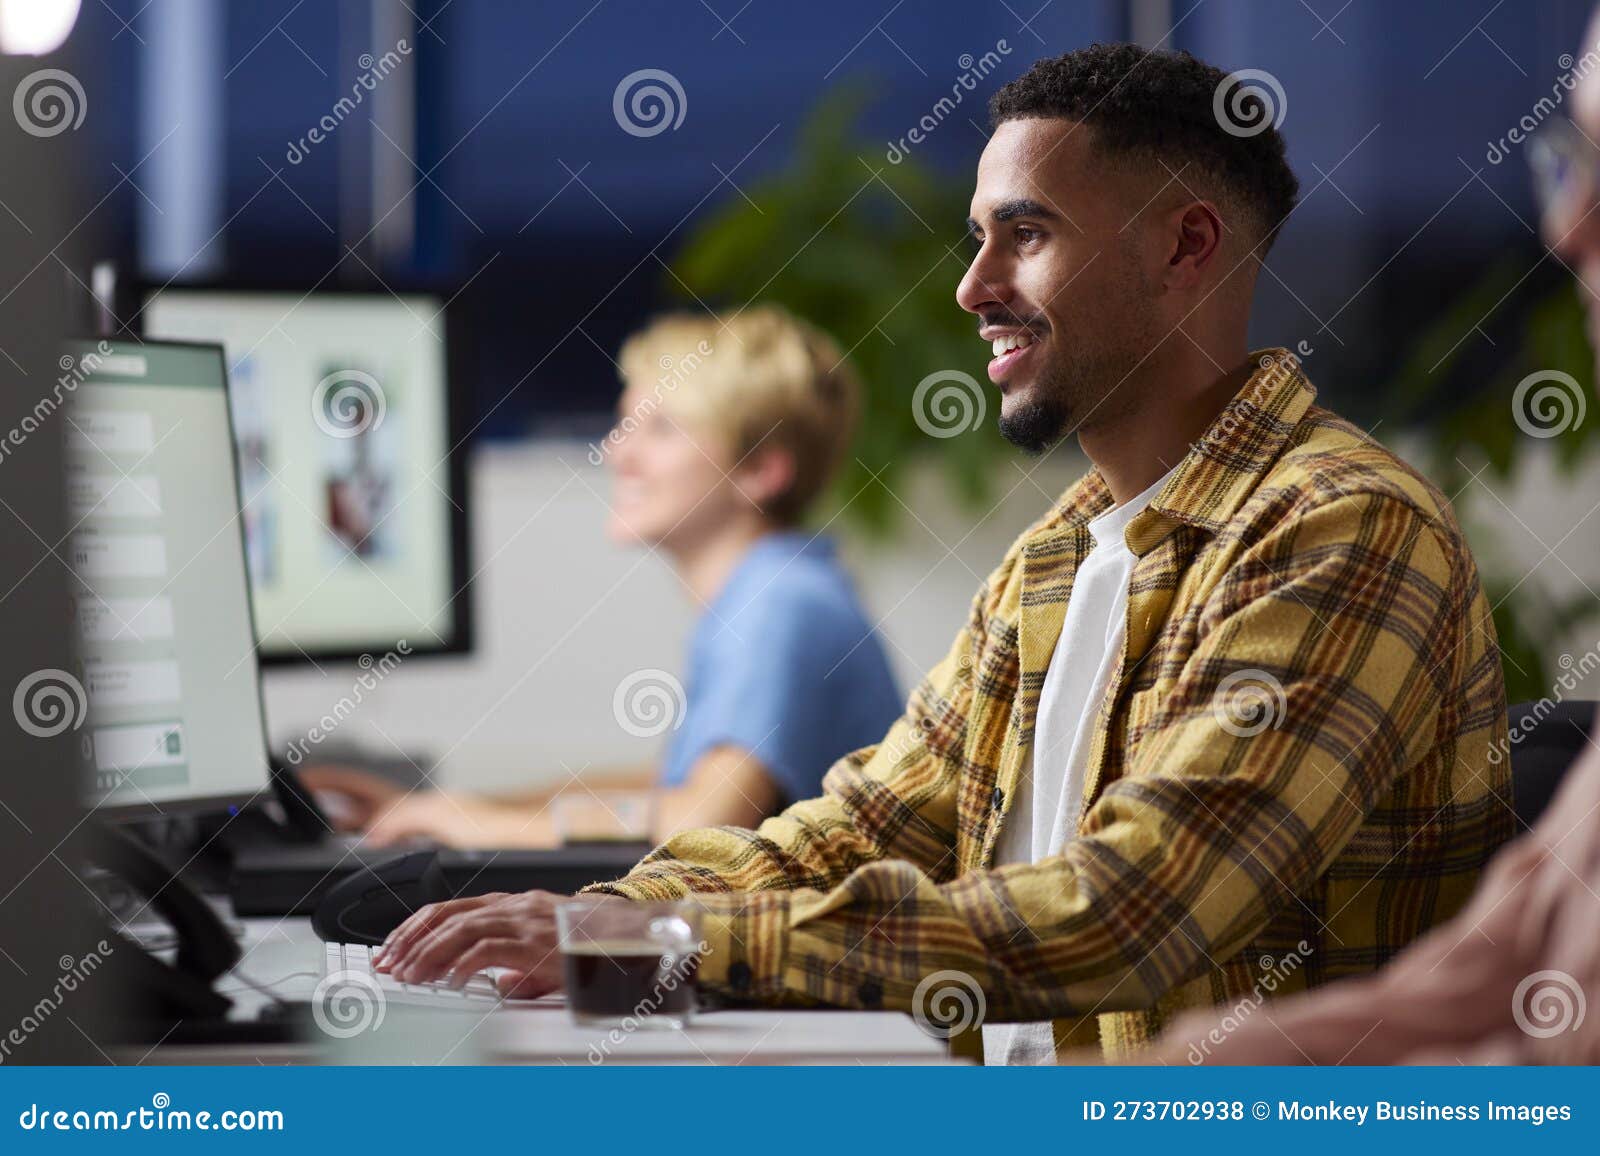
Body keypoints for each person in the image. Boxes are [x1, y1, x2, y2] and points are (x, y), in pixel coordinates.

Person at [373, 44, 1512, 1065]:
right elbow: (862, 827)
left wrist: (667, 936)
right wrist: (593, 922)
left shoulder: (1341, 525)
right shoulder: (1056, 558)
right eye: (980, 239)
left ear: (1186, 245)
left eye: (1026, 234)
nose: (972, 289)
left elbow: (1129, 910)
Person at [1115, 7, 1600, 1067]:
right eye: (1575, 160)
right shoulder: (1067, 553)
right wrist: (1203, 1068)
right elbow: (1481, 974)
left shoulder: (1345, 523)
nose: (1567, 229)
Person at [303, 305, 902, 849]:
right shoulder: (776, 585)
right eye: (625, 423)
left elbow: (702, 821)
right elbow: (673, 787)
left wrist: (484, 826)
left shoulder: (779, 604)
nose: (618, 453)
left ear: (761, 470)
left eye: (661, 429)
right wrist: (450, 808)